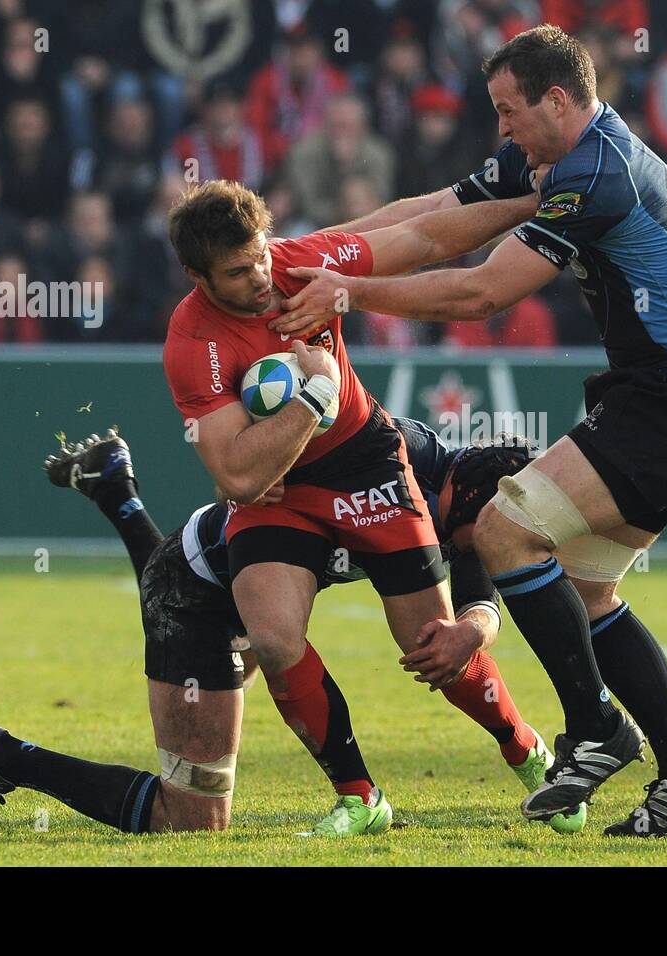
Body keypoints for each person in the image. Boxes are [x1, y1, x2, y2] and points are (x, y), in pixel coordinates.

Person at [270, 25, 667, 836]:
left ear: (558, 100)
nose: (500, 128)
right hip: (666, 397)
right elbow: (430, 220)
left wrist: (347, 293)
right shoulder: (549, 158)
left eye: (508, 111)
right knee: (588, 590)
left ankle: (595, 729)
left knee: (504, 529)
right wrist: (305, 256)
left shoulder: (597, 174)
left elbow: (482, 294)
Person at [159, 178, 568, 835]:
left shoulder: (301, 264)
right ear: (195, 275)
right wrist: (314, 398)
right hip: (282, 493)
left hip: (368, 465)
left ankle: (524, 747)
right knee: (271, 634)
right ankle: (359, 796)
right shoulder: (191, 343)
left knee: (431, 647)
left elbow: (422, 235)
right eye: (237, 272)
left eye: (261, 255)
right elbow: (237, 473)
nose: (261, 277)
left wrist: (533, 206)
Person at [0, 424, 585, 835]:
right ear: (473, 499)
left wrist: (483, 628)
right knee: (190, 819)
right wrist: (267, 467)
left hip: (229, 583)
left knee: (263, 646)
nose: (505, 550)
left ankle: (117, 492)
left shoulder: (456, 504)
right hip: (193, 598)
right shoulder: (396, 455)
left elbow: (467, 607)